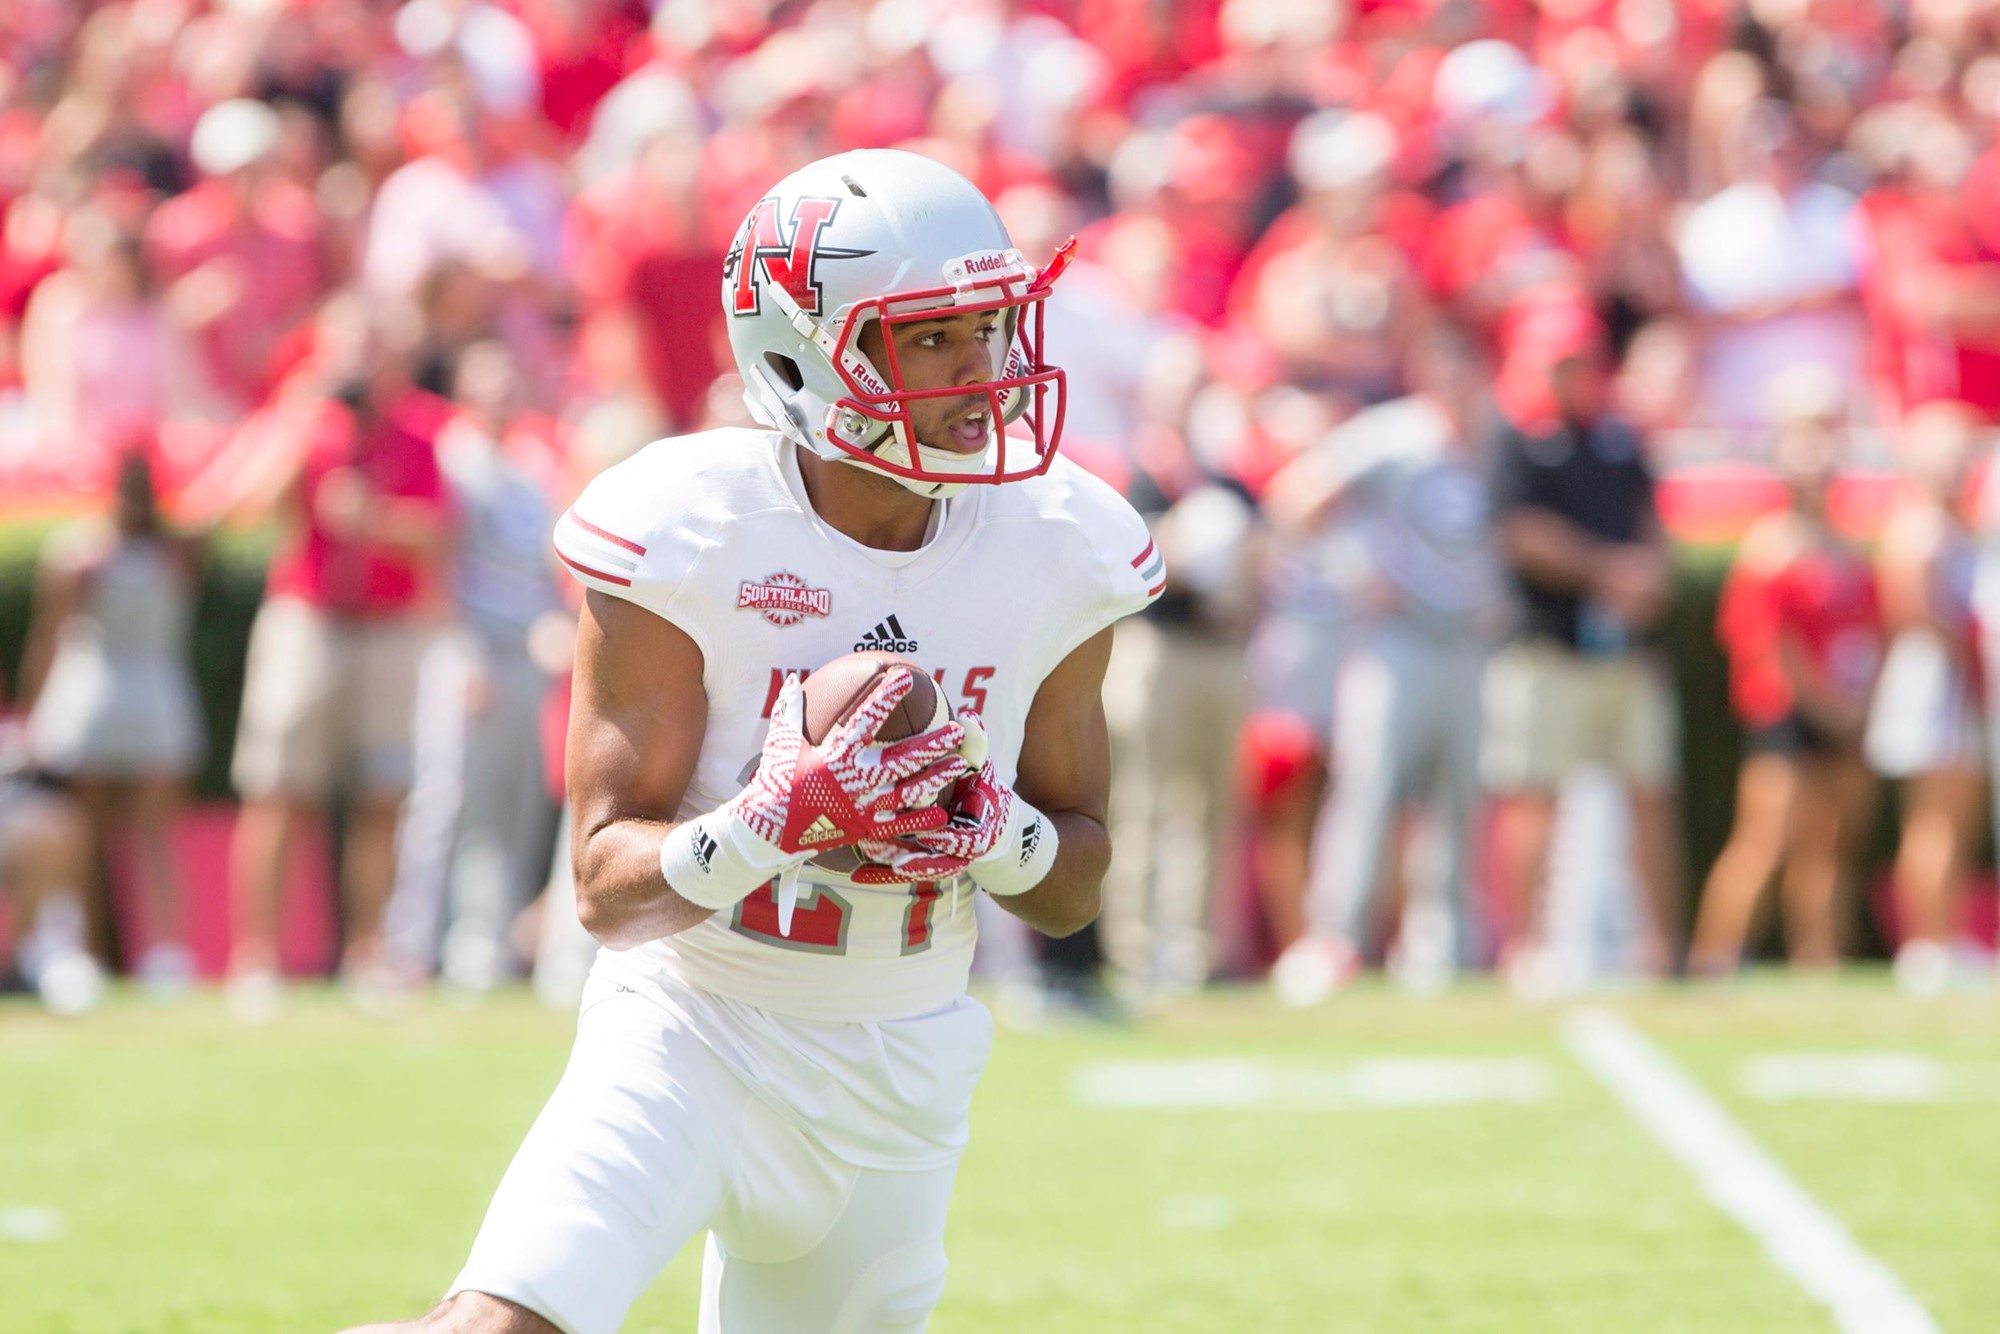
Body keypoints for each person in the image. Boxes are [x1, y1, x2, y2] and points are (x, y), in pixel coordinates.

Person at [338, 149, 1158, 1334]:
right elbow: (605, 890)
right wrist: (771, 819)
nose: (982, 372)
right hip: (691, 1024)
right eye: (929, 339)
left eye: (989, 327)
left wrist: (988, 823)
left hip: (900, 1061)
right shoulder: (692, 526)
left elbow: (1073, 886)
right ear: (801, 350)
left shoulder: (1060, 540)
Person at [220, 301, 451, 1018]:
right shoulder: (303, 423)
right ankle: (253, 958)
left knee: (382, 795)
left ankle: (365, 952)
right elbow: (243, 507)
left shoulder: (419, 430)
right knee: (278, 791)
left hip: (385, 628)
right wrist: (294, 420)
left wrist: (374, 518)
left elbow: (436, 535)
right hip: (307, 621)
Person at [1269, 327, 1511, 1003]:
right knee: (1370, 790)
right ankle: (1334, 939)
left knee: (1460, 795)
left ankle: (1445, 947)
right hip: (1397, 640)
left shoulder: (1497, 441)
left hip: (1468, 643)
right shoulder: (1392, 435)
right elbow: (1298, 495)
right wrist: (1349, 570)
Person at [1482, 295, 1682, 993]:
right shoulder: (1516, 440)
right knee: (1535, 794)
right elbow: (1520, 535)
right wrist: (1609, 571)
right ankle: (1525, 946)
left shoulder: (1620, 441)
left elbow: (1651, 526)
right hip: (1548, 648)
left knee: (1650, 790)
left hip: (1622, 649)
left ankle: (1662, 948)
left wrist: (1646, 579)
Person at [1689, 381, 1880, 976]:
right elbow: (1767, 646)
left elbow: (1867, 635)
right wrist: (1826, 706)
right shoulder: (1770, 549)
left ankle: (1817, 954)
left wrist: (1856, 705)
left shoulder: (1844, 551)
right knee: (1765, 839)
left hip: (1844, 709)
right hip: (1788, 713)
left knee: (1829, 844)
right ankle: (1714, 956)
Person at [18, 450, 204, 996]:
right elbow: (50, 632)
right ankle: (85, 953)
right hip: (89, 703)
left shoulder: (177, 551)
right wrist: (35, 707)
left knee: (155, 834)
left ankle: (167, 953)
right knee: (81, 839)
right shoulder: (77, 553)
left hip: (153, 698)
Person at [1865, 402, 1988, 996]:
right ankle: (1924, 942)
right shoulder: (1915, 527)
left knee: (1958, 818)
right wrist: (1968, 646)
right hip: (1932, 684)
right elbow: (1912, 613)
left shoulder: (1961, 524)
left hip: (1959, 686)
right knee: (1932, 819)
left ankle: (1949, 934)